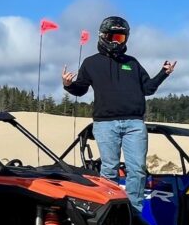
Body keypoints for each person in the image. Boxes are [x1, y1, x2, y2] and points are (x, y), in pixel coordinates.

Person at [62, 16, 177, 211]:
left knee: (137, 170)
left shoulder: (132, 62)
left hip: (134, 124)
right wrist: (68, 84)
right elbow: (80, 89)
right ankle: (111, 212)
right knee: (109, 170)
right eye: (113, 37)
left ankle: (135, 213)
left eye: (121, 38)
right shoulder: (91, 63)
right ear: (103, 36)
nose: (116, 42)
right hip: (105, 124)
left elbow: (148, 88)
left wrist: (163, 73)